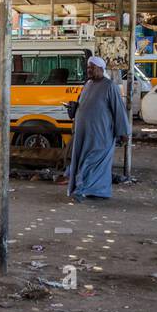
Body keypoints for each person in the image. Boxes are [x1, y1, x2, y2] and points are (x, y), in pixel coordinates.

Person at [65, 55, 130, 203]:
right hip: (84, 133)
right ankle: (98, 191)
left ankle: (81, 189)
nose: (89, 70)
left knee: (92, 161)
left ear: (100, 69)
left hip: (101, 133)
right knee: (87, 161)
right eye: (88, 67)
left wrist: (123, 132)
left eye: (92, 68)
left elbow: (118, 110)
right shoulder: (88, 85)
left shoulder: (109, 86)